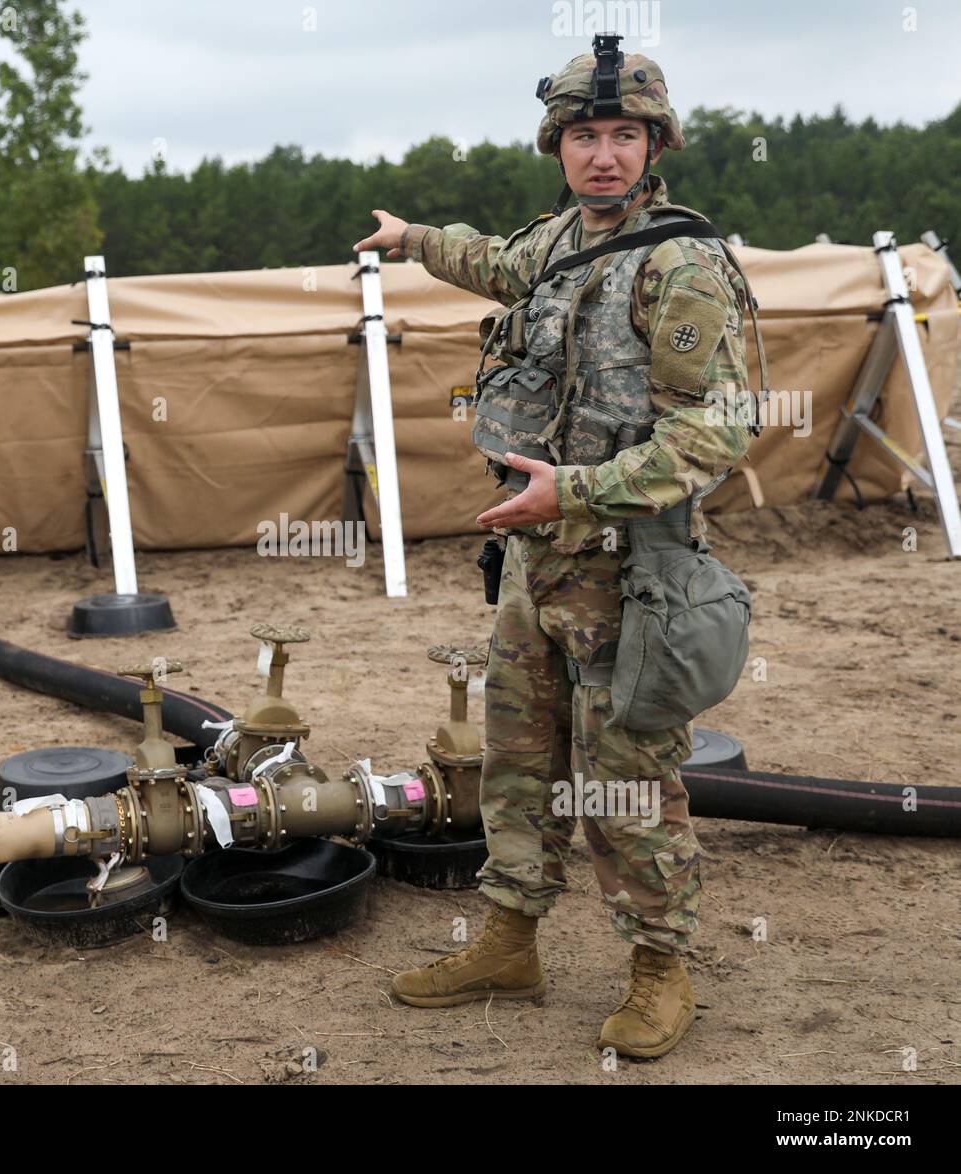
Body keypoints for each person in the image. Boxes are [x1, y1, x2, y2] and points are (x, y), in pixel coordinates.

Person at [352, 34, 764, 1059]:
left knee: (626, 781)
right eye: (585, 133)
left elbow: (719, 430)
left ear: (655, 142)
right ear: (559, 145)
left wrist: (576, 492)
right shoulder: (553, 244)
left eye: (624, 133)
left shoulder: (682, 263)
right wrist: (411, 239)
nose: (604, 154)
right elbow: (494, 264)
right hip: (534, 566)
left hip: (634, 569)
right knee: (518, 764)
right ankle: (509, 938)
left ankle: (659, 969)